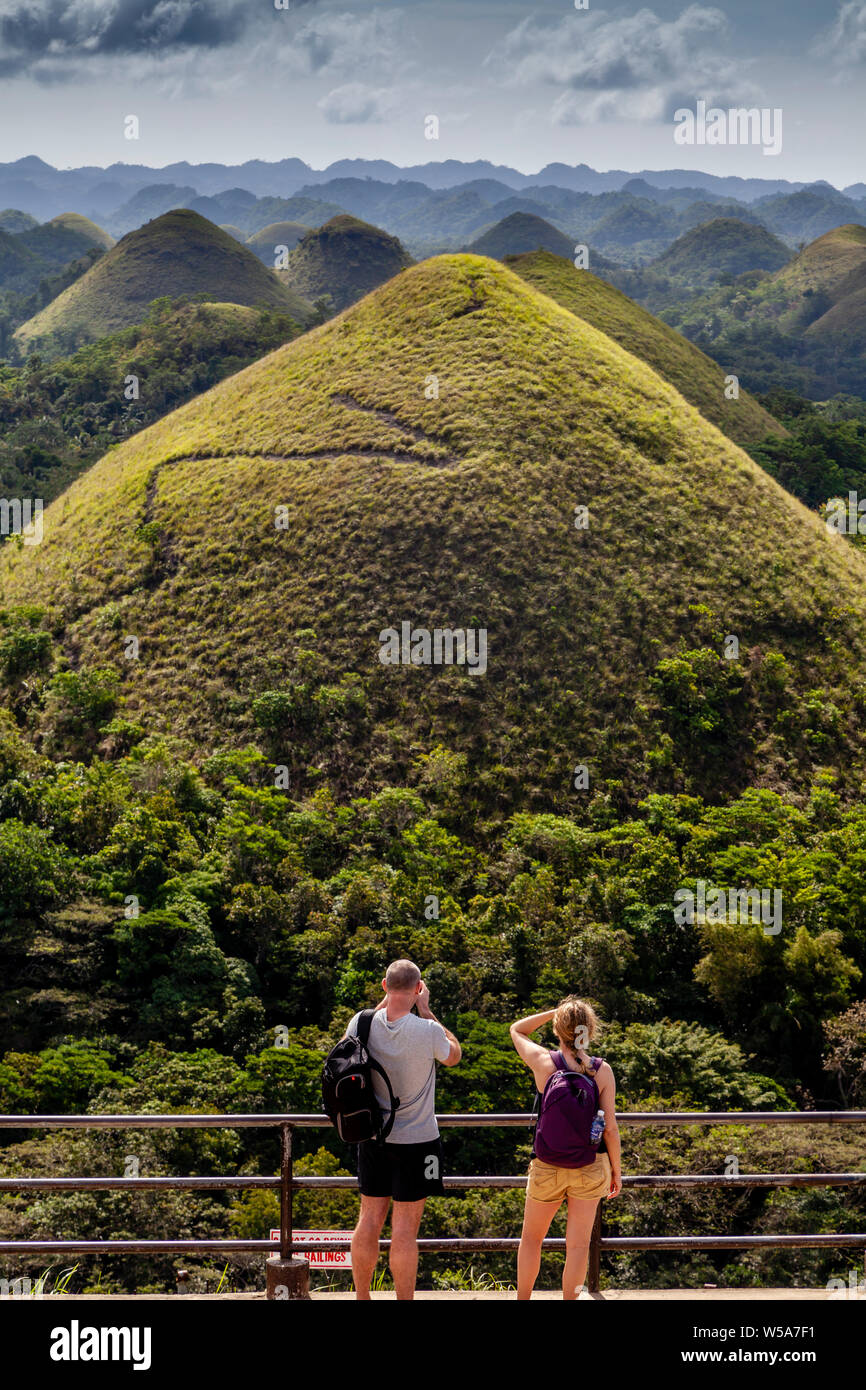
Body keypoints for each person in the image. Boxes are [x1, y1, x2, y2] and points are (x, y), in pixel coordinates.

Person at [346, 959, 462, 1300]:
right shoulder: (428, 1031)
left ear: (384, 985)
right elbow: (454, 1055)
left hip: (372, 1136)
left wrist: (381, 1007)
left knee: (368, 1220)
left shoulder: (361, 1022)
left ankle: (363, 1296)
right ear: (418, 988)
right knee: (405, 1231)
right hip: (419, 1142)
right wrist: (427, 1010)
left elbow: (344, 1051)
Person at [509, 996, 622, 1300]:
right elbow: (610, 1129)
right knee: (577, 1245)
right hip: (589, 1165)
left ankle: (523, 1299)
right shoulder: (602, 1071)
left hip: (547, 1165)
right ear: (591, 1030)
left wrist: (555, 1014)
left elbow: (517, 1030)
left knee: (532, 1239)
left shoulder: (544, 1062)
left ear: (558, 1029)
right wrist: (616, 1172)